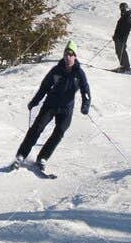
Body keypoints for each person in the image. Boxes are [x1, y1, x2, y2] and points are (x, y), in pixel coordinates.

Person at [14, 41, 91, 174]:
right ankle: (21, 155)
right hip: (51, 105)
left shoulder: (79, 73)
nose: (67, 57)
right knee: (37, 128)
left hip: (66, 109)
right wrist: (35, 101)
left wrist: (85, 105)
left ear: (75, 57)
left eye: (70, 54)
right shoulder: (56, 71)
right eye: (66, 54)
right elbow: (44, 87)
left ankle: (42, 158)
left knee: (59, 132)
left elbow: (85, 91)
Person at [113, 2, 131, 72]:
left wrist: (123, 37)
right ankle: (123, 65)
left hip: (122, 38)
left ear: (126, 8)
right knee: (118, 51)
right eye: (121, 8)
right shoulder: (123, 16)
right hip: (118, 37)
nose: (121, 9)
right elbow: (118, 28)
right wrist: (115, 35)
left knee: (121, 51)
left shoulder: (127, 17)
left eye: (123, 8)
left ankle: (126, 66)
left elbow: (127, 29)